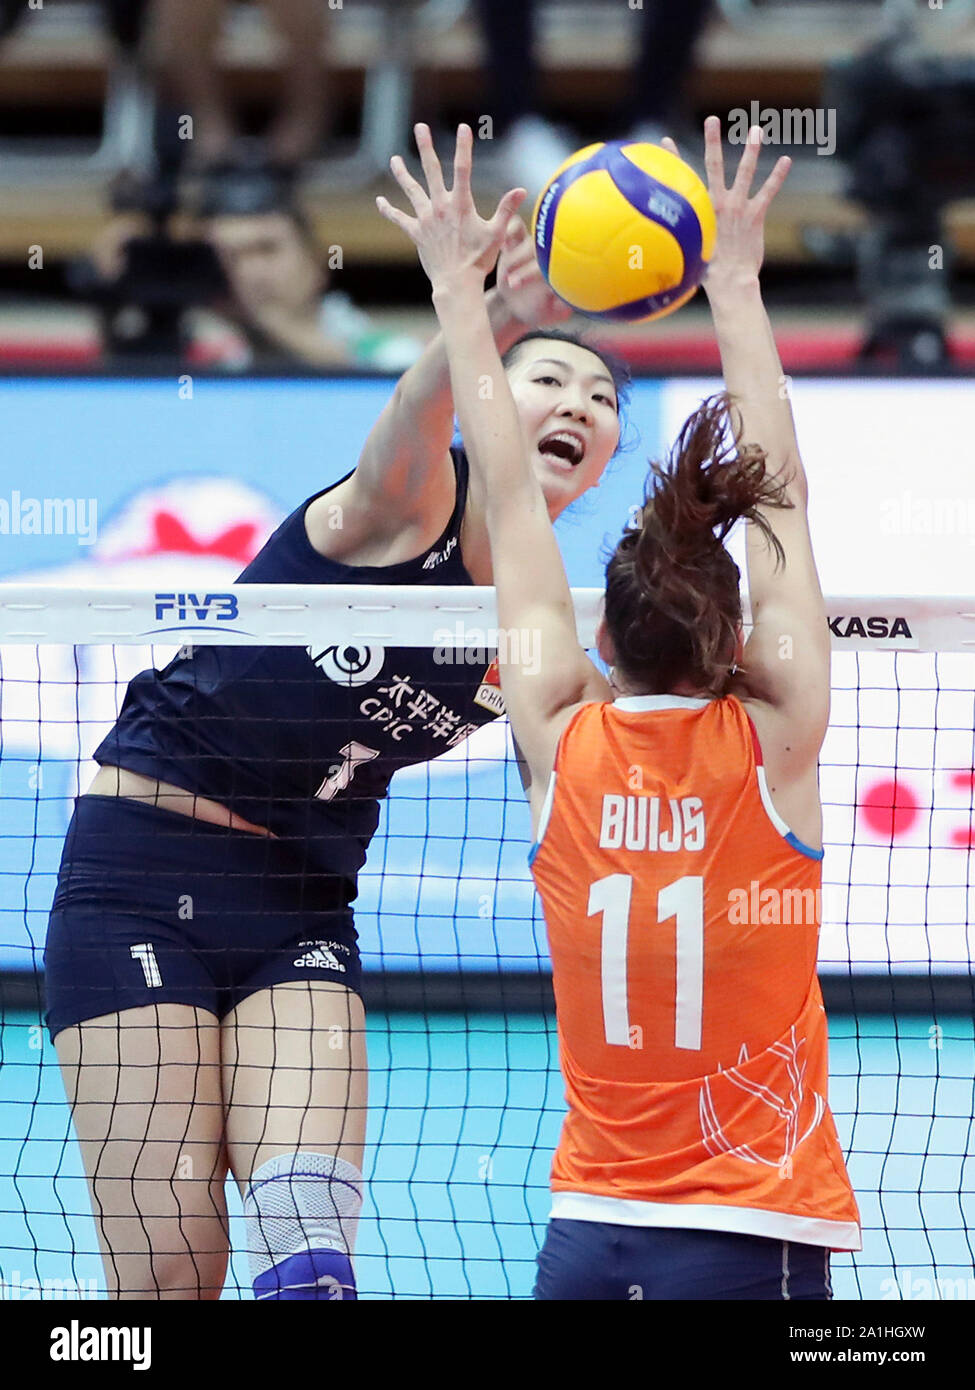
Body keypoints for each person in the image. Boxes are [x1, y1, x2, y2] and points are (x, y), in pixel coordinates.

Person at [44, 123, 631, 1300]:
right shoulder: (408, 506)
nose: (581, 400)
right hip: (136, 871)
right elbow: (413, 422)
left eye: (604, 393)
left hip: (304, 901)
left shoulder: (552, 621)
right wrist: (483, 309)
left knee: (311, 1263)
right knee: (168, 1281)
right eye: (548, 378)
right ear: (485, 400)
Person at [378, 116, 861, 1299]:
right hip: (759, 1231)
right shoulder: (776, 736)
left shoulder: (559, 731)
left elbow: (508, 486)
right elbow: (780, 492)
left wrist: (458, 289)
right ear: (738, 643)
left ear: (602, 637)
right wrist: (739, 285)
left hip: (589, 1238)